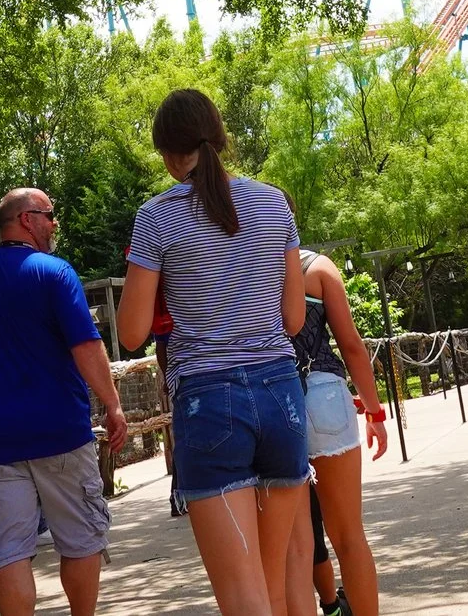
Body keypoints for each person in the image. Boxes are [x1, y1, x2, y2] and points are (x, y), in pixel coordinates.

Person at [118, 90, 309, 616]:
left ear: (172, 153)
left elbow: (132, 332)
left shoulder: (156, 217)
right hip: (282, 395)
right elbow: (294, 319)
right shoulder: (273, 202)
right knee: (272, 589)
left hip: (209, 402)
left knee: (242, 600)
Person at [0, 189, 129, 616]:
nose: (54, 223)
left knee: (8, 551)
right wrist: (112, 404)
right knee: (80, 538)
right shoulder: (56, 274)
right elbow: (85, 345)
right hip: (61, 432)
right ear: (26, 220)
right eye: (49, 215)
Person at [284, 250, 386, 616]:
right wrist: (375, 412)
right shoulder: (318, 267)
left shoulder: (247, 264)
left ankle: (328, 607)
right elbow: (352, 347)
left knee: (294, 547)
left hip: (274, 398)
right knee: (349, 536)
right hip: (324, 392)